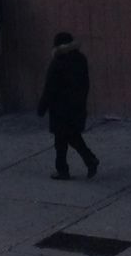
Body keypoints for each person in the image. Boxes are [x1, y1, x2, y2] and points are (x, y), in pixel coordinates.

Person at [36, 31, 98, 180]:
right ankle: (79, 163)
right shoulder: (80, 59)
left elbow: (50, 88)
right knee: (68, 137)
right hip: (76, 106)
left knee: (64, 139)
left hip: (60, 108)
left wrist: (42, 107)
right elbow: (85, 83)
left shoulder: (58, 62)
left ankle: (74, 166)